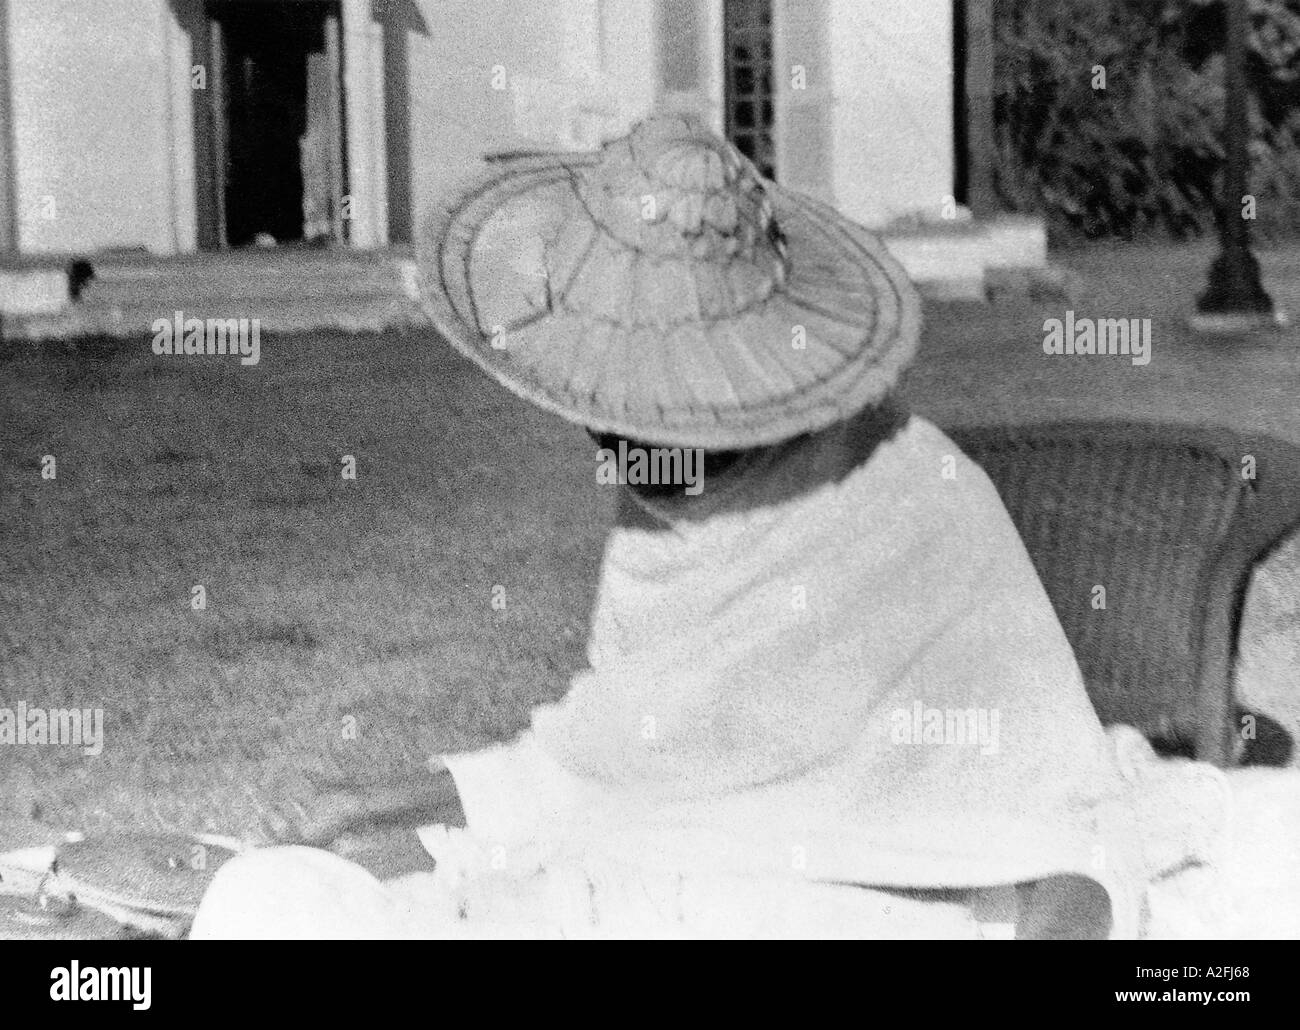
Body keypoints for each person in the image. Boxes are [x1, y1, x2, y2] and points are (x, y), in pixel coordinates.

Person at [191, 113, 1297, 940]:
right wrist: (365, 804)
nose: (631, 455)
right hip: (651, 882)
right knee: (268, 905)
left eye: (664, 420)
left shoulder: (913, 498)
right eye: (612, 419)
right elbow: (610, 750)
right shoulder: (656, 508)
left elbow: (1062, 849)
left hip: (866, 904)